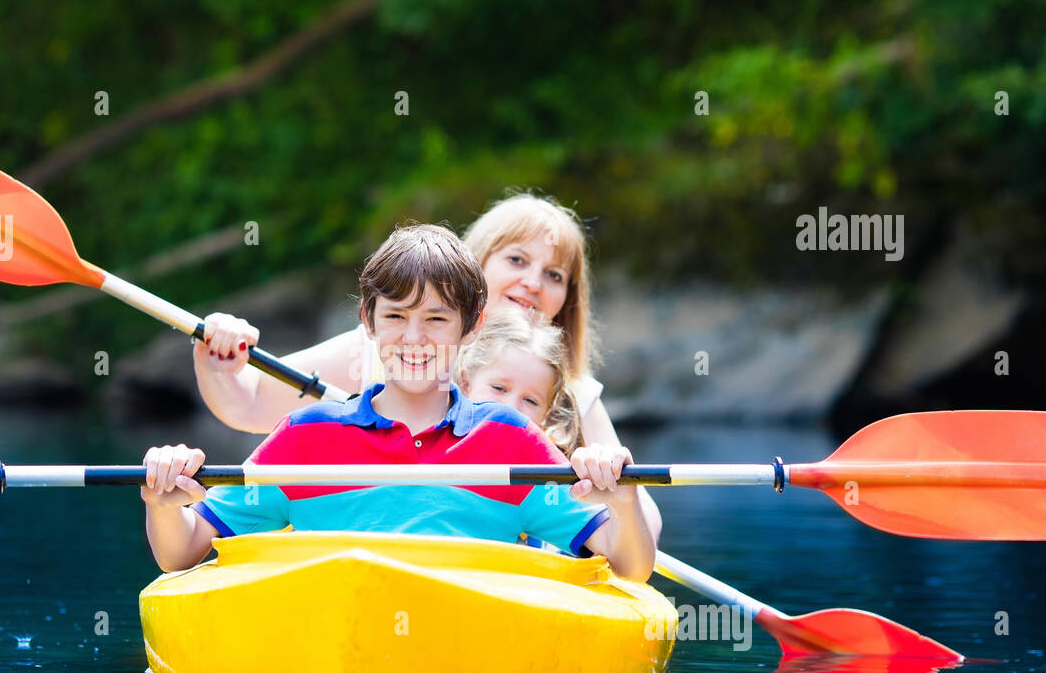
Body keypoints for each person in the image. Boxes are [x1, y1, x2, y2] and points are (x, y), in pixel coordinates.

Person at [143, 224, 657, 580]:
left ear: (471, 327)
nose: (414, 338)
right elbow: (181, 553)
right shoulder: (304, 437)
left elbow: (630, 564)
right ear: (368, 321)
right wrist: (163, 501)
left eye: (436, 319)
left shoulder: (512, 440)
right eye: (395, 317)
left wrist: (622, 497)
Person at [192, 192, 625, 447]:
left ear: (567, 298)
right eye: (517, 260)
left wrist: (606, 483)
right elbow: (246, 403)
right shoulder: (386, 349)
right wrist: (218, 353)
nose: (533, 282)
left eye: (554, 275)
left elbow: (643, 522)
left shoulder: (571, 392)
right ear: (477, 265)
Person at [454, 307, 662, 543]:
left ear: (546, 415)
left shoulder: (546, 482)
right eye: (499, 388)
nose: (511, 408)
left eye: (530, 400)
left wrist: (623, 504)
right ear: (465, 383)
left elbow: (627, 559)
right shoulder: (428, 440)